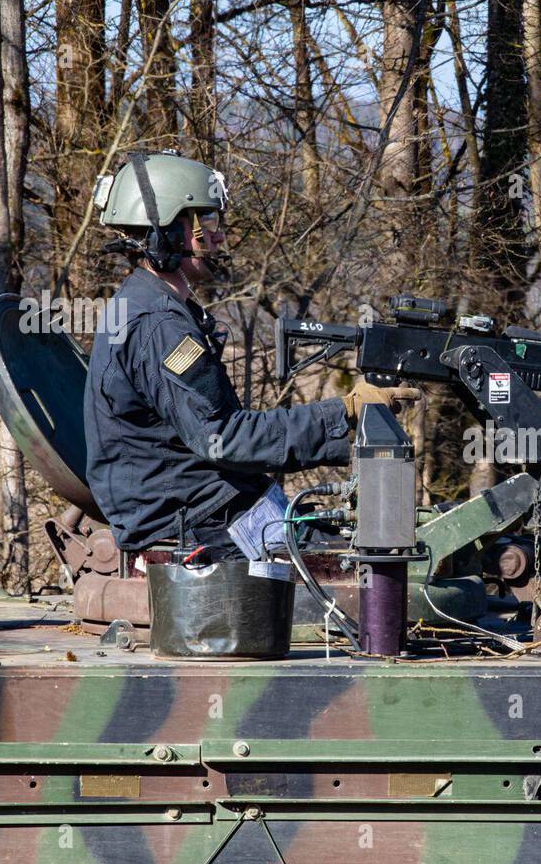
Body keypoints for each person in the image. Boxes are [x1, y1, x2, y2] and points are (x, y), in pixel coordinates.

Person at [84, 150, 417, 560]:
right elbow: (226, 438)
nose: (218, 236)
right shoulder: (159, 325)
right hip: (198, 523)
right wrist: (344, 411)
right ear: (167, 232)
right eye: (205, 222)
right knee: (376, 570)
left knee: (367, 544)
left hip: (212, 509)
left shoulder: (147, 307)